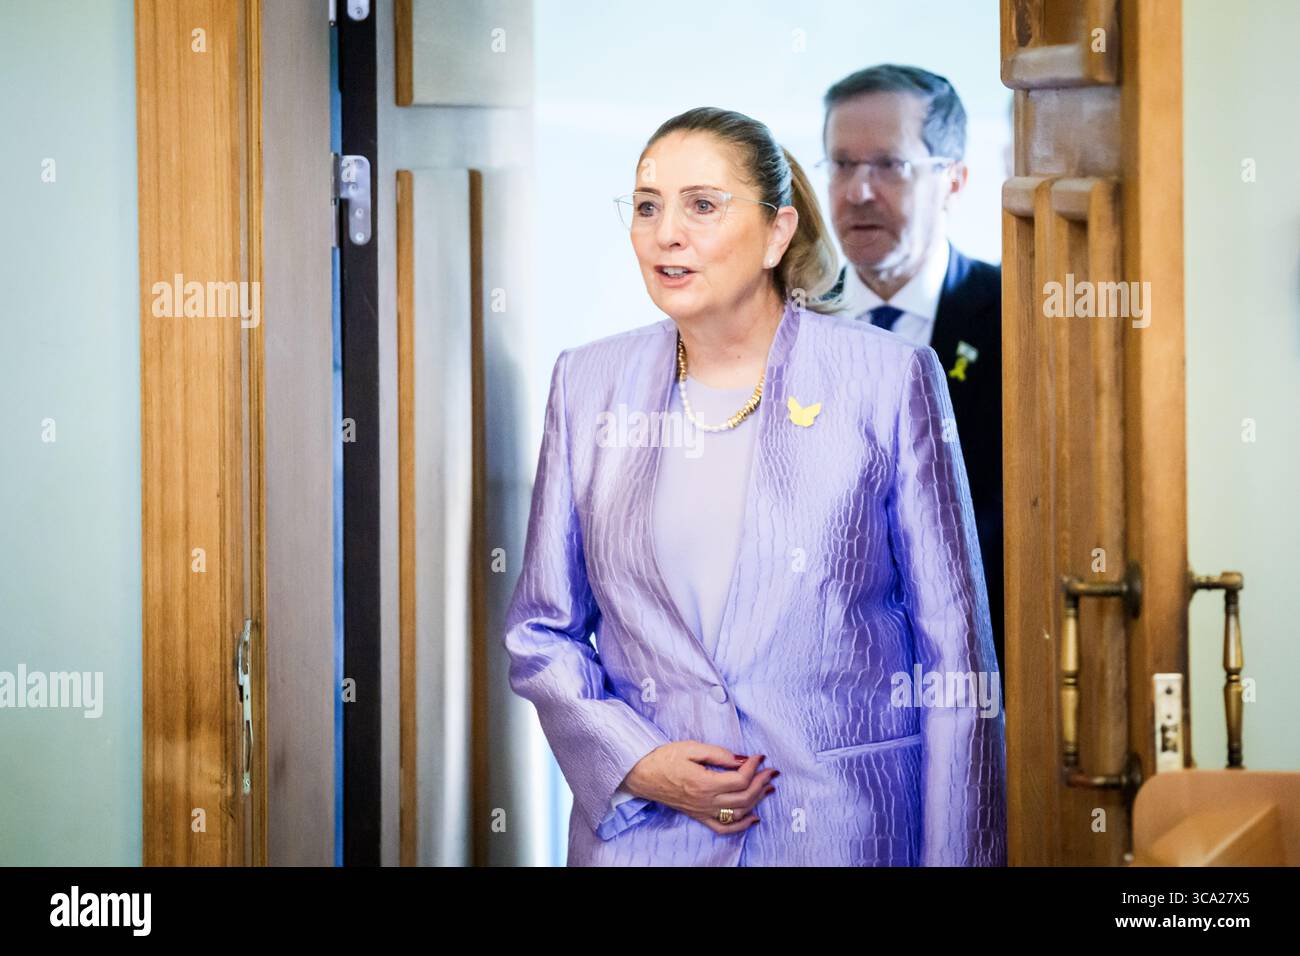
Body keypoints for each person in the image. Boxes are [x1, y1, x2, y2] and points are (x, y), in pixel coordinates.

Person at [503, 106, 1006, 866]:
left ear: (777, 232)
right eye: (647, 207)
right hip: (648, 842)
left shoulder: (887, 377)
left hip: (844, 832)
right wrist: (634, 761)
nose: (667, 234)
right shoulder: (588, 384)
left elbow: (954, 661)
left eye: (702, 205)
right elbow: (542, 630)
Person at [818, 65, 1005, 681]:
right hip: (827, 684)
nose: (857, 192)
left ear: (953, 180)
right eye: (842, 164)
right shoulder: (788, 324)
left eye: (889, 165)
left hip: (982, 673)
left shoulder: (1017, 320)